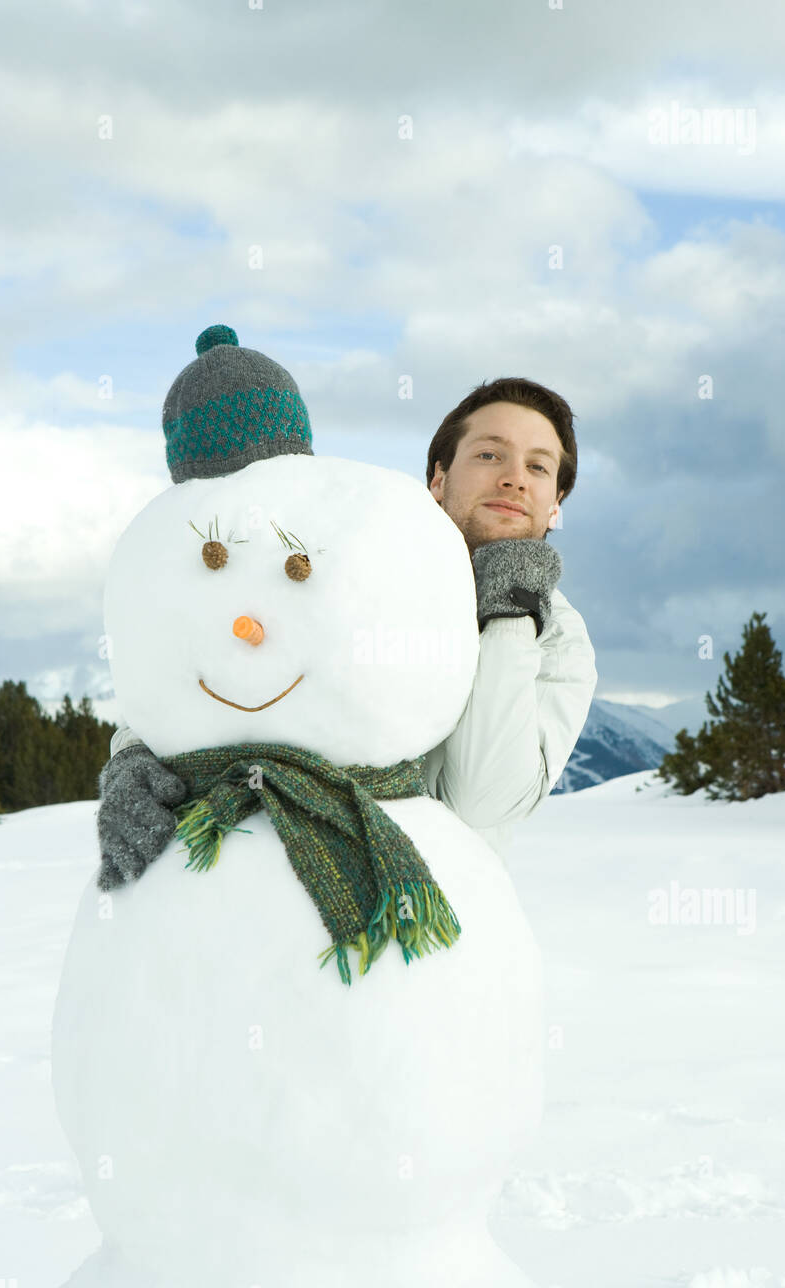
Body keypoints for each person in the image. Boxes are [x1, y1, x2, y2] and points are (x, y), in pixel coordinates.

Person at [97, 328, 597, 889]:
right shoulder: (358, 566)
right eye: (489, 454)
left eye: (538, 467)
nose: (512, 477)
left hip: (423, 926)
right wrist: (134, 753)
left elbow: (482, 801)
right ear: (437, 477)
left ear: (556, 504)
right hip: (252, 886)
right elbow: (218, 659)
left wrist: (509, 612)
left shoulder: (558, 640)